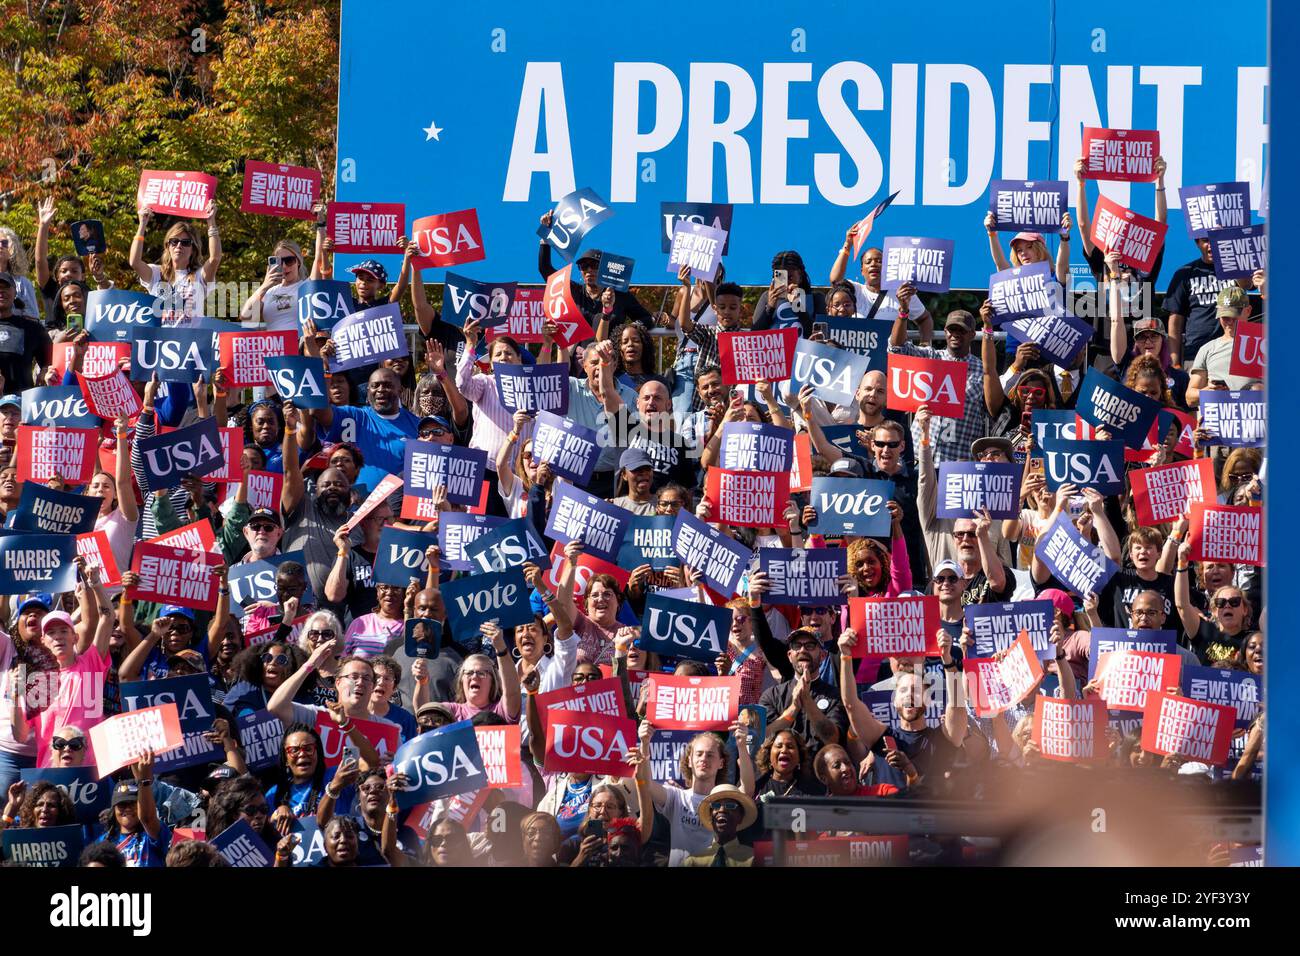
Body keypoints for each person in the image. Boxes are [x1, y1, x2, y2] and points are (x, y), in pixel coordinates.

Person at [890, 307, 988, 464]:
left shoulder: (983, 370)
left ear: (972, 335)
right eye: (951, 329)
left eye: (961, 330)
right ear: (945, 332)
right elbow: (897, 349)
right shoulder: (931, 357)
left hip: (958, 460)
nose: (955, 334)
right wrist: (903, 312)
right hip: (918, 456)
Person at [130, 201, 221, 324]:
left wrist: (211, 222)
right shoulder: (157, 273)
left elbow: (215, 258)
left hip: (190, 341)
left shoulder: (200, 275)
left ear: (193, 249)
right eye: (174, 241)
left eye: (185, 242)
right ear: (168, 246)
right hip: (160, 341)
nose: (179, 245)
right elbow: (135, 262)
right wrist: (142, 224)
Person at [95, 753, 169, 868]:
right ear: (113, 809)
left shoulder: (154, 834)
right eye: (122, 804)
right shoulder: (102, 843)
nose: (127, 808)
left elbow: (147, 819)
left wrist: (143, 780)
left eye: (132, 803)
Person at [680, 784, 758, 866]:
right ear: (710, 817)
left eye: (730, 805)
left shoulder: (755, 860)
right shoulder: (692, 862)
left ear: (740, 817)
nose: (722, 810)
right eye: (715, 805)